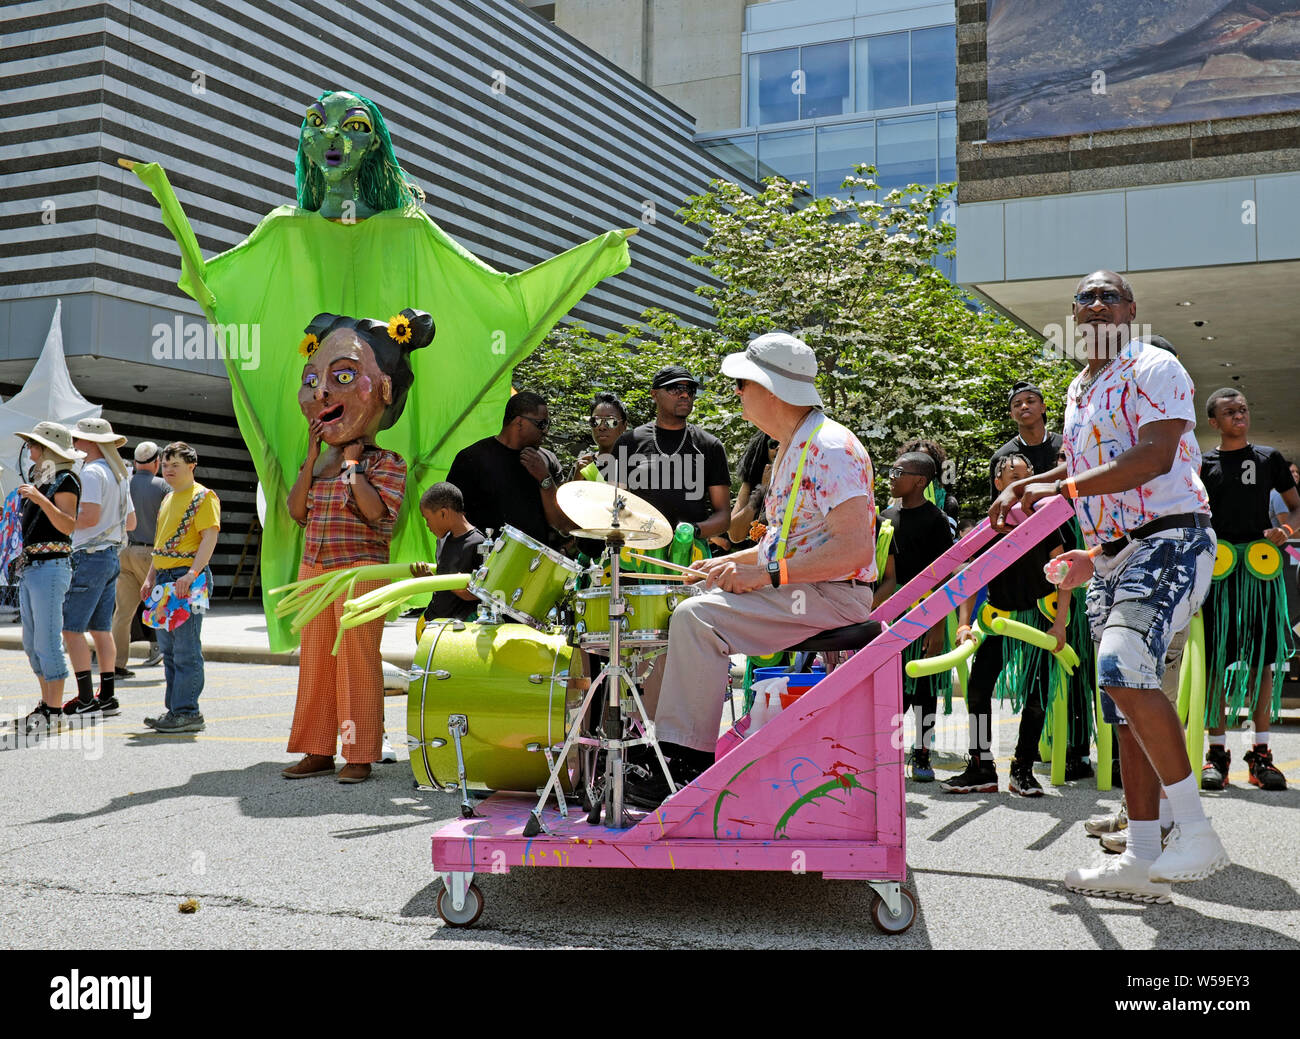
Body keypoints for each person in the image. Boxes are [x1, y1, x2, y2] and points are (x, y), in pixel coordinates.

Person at [994, 269, 1225, 905]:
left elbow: (1151, 458)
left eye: (1110, 296)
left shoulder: (1155, 367)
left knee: (1124, 668)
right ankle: (1143, 856)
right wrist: (1039, 489)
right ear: (1073, 314)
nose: (1097, 305)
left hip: (1172, 537)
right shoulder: (1078, 387)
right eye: (1086, 298)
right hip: (1115, 554)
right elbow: (1087, 464)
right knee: (1122, 705)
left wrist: (1058, 490)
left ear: (1130, 310)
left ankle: (1197, 831)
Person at [623, 333, 876, 809]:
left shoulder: (830, 447)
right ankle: (665, 745)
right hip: (811, 586)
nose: (736, 392)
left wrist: (764, 577)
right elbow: (783, 546)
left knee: (698, 619)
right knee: (689, 607)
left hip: (833, 593)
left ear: (773, 388)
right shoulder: (794, 446)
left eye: (742, 382)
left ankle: (682, 761)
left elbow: (852, 549)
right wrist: (726, 562)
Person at [283, 308, 432, 783]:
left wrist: (351, 468)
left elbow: (376, 515)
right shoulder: (317, 459)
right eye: (313, 379)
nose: (321, 391)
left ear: (385, 391)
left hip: (360, 573)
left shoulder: (388, 462)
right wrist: (312, 459)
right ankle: (316, 749)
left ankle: (361, 753)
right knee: (316, 665)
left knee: (357, 666)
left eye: (343, 376)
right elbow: (296, 512)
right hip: (315, 571)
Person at [942, 454, 1069, 797]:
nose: (1021, 482)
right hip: (997, 619)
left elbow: (1064, 574)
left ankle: (1023, 769)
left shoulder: (1046, 517)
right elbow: (968, 576)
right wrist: (963, 623)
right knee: (979, 691)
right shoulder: (990, 522)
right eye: (1013, 476)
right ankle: (981, 767)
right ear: (999, 484)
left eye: (1028, 476)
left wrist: (1060, 624)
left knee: (1036, 696)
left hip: (1038, 619)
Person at [1198, 388, 1299, 791]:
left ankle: (1261, 755)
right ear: (1213, 422)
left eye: (1243, 409)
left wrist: (1286, 530)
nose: (1239, 415)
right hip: (1218, 573)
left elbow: (1296, 507)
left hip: (1260, 574)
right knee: (1213, 664)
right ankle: (1216, 754)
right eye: (1229, 411)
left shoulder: (1269, 458)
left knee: (1262, 664)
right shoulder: (1201, 464)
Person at [873, 451, 956, 781]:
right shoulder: (885, 515)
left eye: (898, 471)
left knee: (923, 688)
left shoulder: (936, 520)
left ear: (920, 481)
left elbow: (944, 575)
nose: (891, 476)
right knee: (893, 689)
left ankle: (922, 755)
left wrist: (937, 626)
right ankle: (885, 752)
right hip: (891, 611)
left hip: (925, 612)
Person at [141, 442, 221, 734]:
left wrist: (193, 573)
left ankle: (188, 711)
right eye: (165, 464)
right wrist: (151, 577)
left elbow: (208, 539)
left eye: (175, 464)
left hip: (189, 580)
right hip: (164, 579)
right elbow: (160, 543)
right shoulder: (167, 499)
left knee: (186, 647)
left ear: (192, 466)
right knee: (169, 649)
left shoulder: (203, 497)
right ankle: (175, 710)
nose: (169, 470)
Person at [62, 418, 135, 718]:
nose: (75, 445)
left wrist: (60, 520)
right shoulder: (119, 473)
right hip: (110, 555)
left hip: (88, 555)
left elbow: (88, 518)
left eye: (78, 439)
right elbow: (131, 523)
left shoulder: (91, 472)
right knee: (101, 629)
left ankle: (84, 697)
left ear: (89, 442)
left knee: (72, 629)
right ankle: (106, 695)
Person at [13, 422, 83, 732]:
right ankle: (46, 705)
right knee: (32, 642)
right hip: (33, 567)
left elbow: (68, 525)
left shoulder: (66, 480)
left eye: (33, 445)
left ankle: (54, 712)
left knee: (47, 640)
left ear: (49, 449)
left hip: (52, 566)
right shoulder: (42, 480)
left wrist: (40, 500)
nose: (29, 450)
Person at [611, 365, 731, 542]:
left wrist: (691, 532)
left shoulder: (710, 445)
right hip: (640, 549)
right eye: (675, 388)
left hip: (689, 554)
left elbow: (723, 515)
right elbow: (615, 505)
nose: (684, 395)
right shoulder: (628, 443)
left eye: (690, 389)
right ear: (654, 394)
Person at [445, 391, 573, 546]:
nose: (546, 431)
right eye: (542, 424)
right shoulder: (471, 458)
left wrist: (545, 479)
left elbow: (562, 525)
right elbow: (451, 518)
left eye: (548, 424)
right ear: (519, 423)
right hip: (484, 562)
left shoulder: (547, 460)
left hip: (536, 563)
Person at [112, 440, 170, 678]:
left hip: (123, 551)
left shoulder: (122, 483)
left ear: (135, 462)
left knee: (123, 613)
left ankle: (116, 664)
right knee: (162, 606)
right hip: (150, 554)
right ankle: (166, 653)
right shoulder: (164, 487)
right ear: (157, 462)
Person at [417, 482, 486, 627]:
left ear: (443, 513)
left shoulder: (478, 544)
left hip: (456, 630)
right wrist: (431, 580)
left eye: (427, 518)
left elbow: (481, 593)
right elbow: (444, 588)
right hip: (433, 622)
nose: (427, 525)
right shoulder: (442, 542)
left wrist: (449, 582)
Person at [988, 381, 1062, 500]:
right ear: (1011, 415)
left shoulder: (1066, 446)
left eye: (1030, 401)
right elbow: (998, 504)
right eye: (1017, 404)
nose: (1024, 406)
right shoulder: (1001, 457)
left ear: (1043, 407)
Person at [727, 430, 778, 548]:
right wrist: (761, 491)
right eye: (773, 444)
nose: (778, 448)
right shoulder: (752, 482)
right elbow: (735, 534)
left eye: (785, 444)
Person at [900, 438, 960, 535]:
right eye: (915, 462)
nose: (920, 467)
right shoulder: (897, 499)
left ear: (936, 467)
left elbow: (946, 539)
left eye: (926, 461)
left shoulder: (948, 502)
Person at [572, 392, 628, 482]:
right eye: (596, 421)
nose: (601, 427)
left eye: (610, 421)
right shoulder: (584, 464)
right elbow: (566, 495)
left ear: (624, 426)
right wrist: (577, 477)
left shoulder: (634, 466)